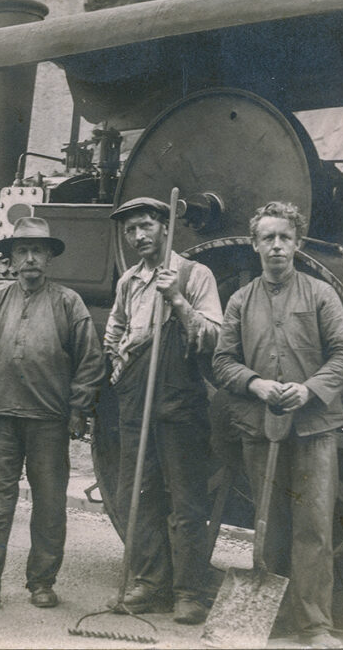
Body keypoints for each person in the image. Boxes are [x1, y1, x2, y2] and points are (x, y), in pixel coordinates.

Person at [211, 201, 343, 649]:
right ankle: (267, 617)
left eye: (285, 238)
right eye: (268, 238)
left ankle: (314, 624)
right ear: (255, 245)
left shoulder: (319, 294)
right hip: (261, 427)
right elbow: (221, 362)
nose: (277, 246)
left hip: (314, 429)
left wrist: (309, 390)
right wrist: (254, 384)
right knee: (268, 520)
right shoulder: (240, 300)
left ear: (297, 243)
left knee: (312, 524)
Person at [0, 217, 105, 616]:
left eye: (38, 251)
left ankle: (42, 581)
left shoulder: (69, 302)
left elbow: (91, 360)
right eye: (22, 251)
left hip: (49, 419)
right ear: (13, 259)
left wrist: (78, 408)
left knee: (50, 505)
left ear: (50, 258)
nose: (31, 258)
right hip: (1, 415)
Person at [103, 196, 222, 625]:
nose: (137, 236)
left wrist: (176, 299)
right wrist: (117, 358)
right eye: (131, 229)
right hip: (136, 396)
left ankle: (190, 591)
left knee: (187, 498)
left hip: (178, 397)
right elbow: (115, 327)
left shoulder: (194, 274)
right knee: (136, 491)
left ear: (165, 227)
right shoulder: (129, 282)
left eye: (145, 226)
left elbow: (212, 336)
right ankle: (148, 583)